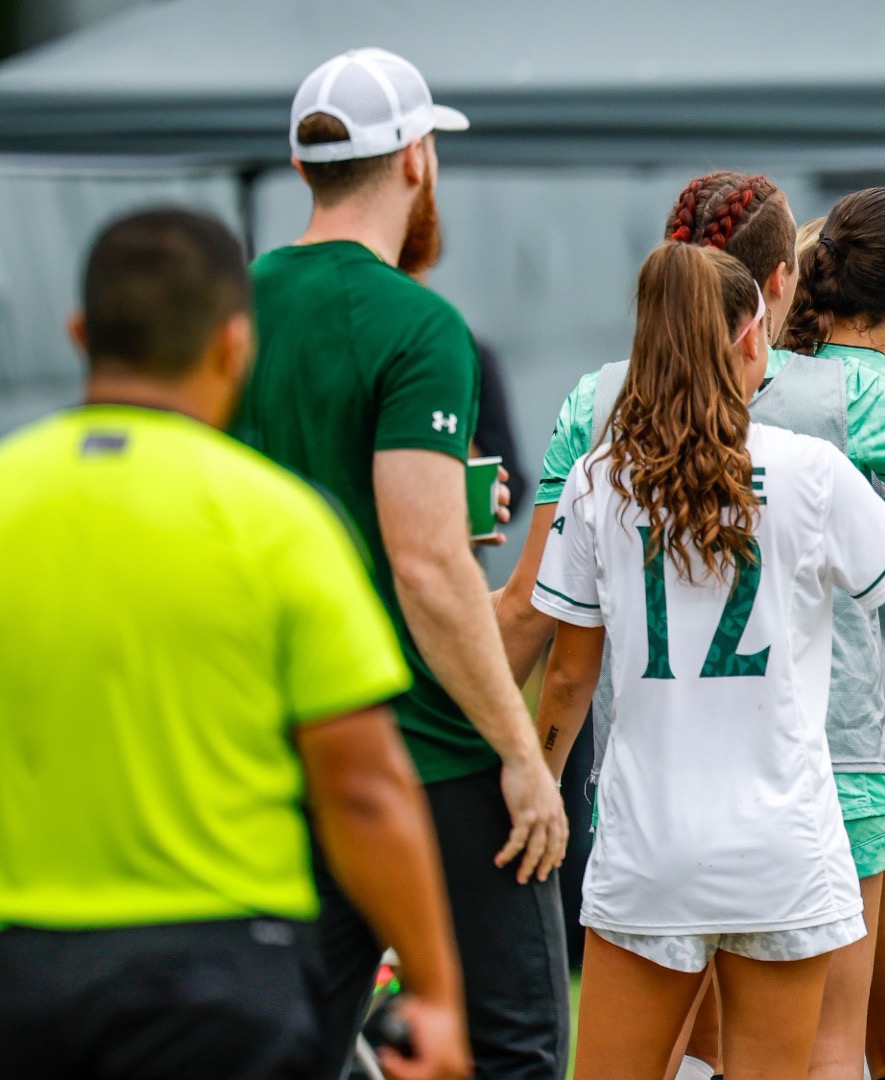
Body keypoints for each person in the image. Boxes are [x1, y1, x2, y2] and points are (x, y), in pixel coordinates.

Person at [528, 242, 885, 1079]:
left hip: (650, 845)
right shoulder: (808, 471)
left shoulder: (596, 478)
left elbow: (570, 677)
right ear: (756, 340)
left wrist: (535, 783)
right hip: (782, 841)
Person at [0, 209, 468, 1080]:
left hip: (25, 967)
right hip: (219, 975)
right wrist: (436, 993)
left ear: (78, 334)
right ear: (233, 347)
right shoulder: (281, 524)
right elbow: (363, 786)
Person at [231, 48, 570, 1078]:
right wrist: (521, 753)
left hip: (277, 736)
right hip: (423, 743)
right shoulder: (420, 323)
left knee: (294, 1044)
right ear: (418, 159)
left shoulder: (231, 310)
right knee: (514, 1048)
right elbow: (424, 569)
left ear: (302, 170)